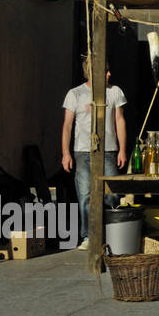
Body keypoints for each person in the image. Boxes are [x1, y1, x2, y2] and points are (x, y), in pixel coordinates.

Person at [61, 58, 128, 250]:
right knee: (85, 194)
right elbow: (67, 125)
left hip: (108, 149)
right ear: (93, 73)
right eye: (105, 71)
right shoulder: (75, 94)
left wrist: (122, 149)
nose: (109, 74)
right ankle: (88, 237)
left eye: (108, 71)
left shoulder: (114, 92)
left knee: (112, 193)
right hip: (83, 150)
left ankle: (110, 233)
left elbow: (120, 121)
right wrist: (66, 153)